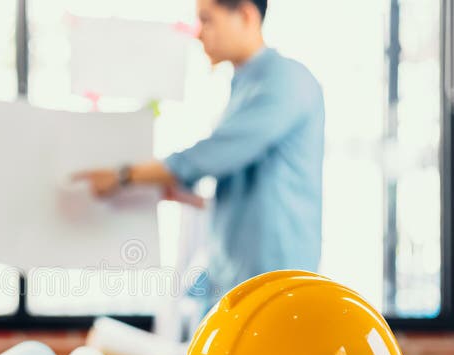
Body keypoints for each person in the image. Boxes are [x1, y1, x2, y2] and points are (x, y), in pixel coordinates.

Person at [78, 0, 325, 313]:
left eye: (207, 20)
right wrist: (189, 196)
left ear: (247, 15)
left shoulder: (286, 80)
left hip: (274, 275)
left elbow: (215, 153)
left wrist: (123, 176)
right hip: (234, 268)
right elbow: (250, 180)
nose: (198, 34)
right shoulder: (242, 84)